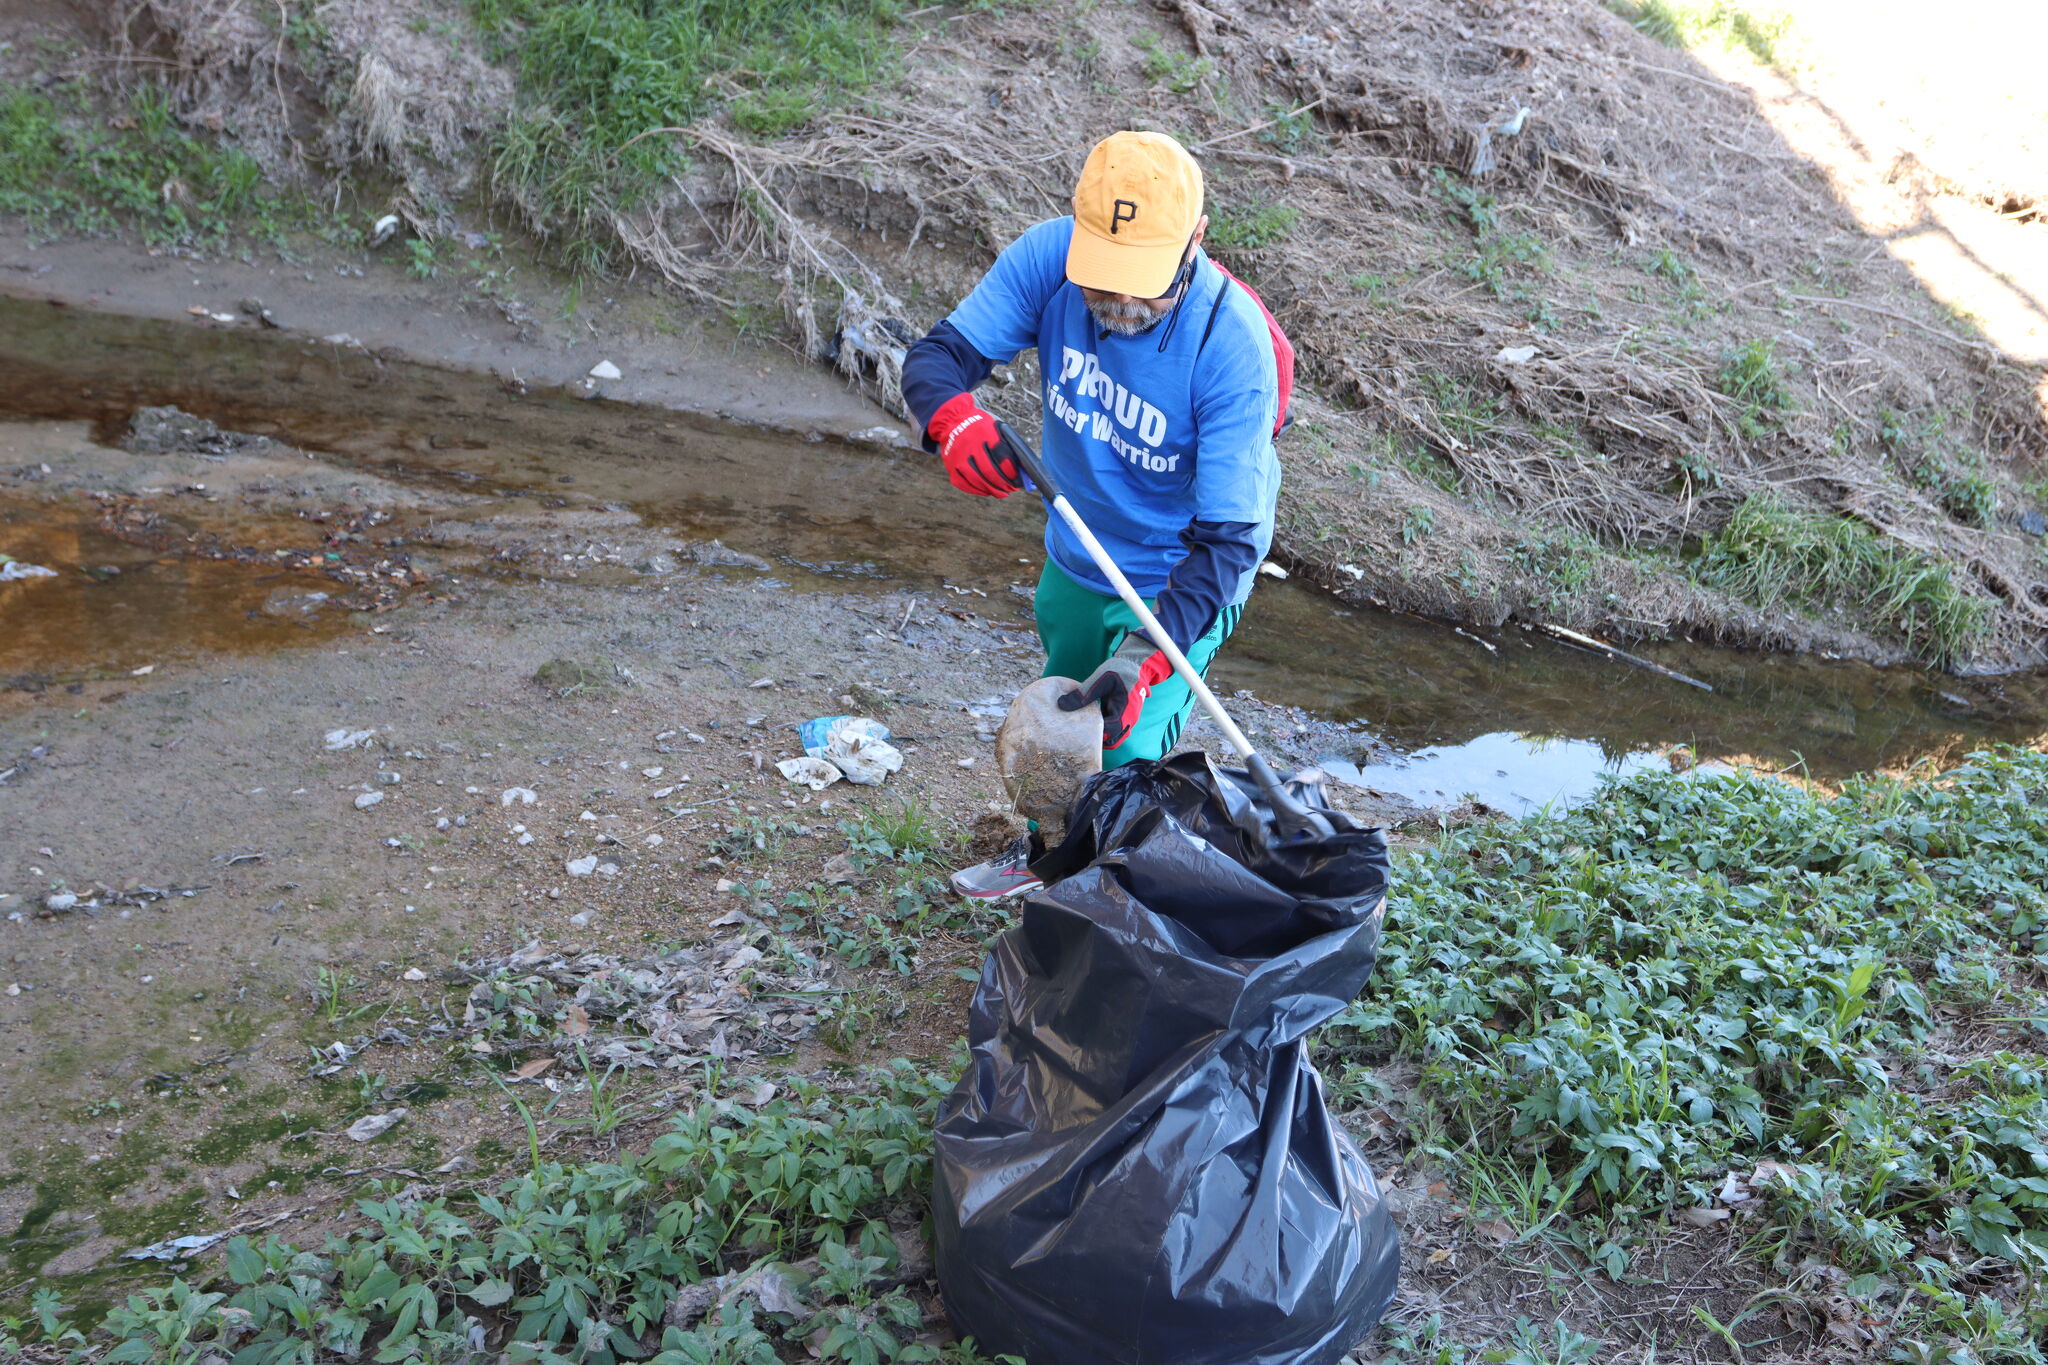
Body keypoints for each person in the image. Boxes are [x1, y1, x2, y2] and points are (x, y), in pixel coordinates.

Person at [900, 129, 1282, 899]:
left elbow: (1227, 544)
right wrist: (955, 422)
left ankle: (1114, 897)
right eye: (1103, 280)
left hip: (1181, 574)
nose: (1119, 305)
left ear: (1196, 240)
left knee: (1126, 745)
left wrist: (1144, 657)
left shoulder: (1232, 346)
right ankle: (1048, 857)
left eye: (1141, 283)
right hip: (1079, 549)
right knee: (1059, 726)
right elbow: (937, 358)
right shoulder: (1049, 260)